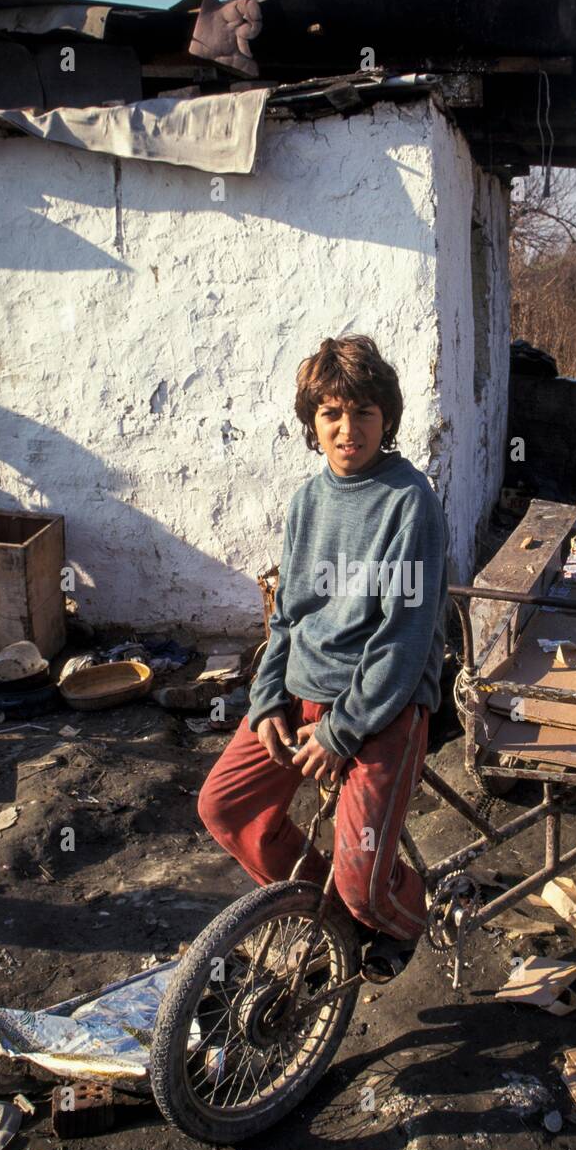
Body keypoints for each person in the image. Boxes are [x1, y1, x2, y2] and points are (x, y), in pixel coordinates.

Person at [197, 334, 448, 978]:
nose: (348, 429)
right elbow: (287, 616)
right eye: (332, 413)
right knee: (226, 808)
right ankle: (329, 916)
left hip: (381, 707)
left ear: (386, 418)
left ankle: (404, 911)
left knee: (367, 879)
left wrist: (339, 733)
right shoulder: (308, 502)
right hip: (302, 692)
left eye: (363, 412)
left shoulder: (409, 502)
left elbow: (403, 638)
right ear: (313, 422)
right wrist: (267, 701)